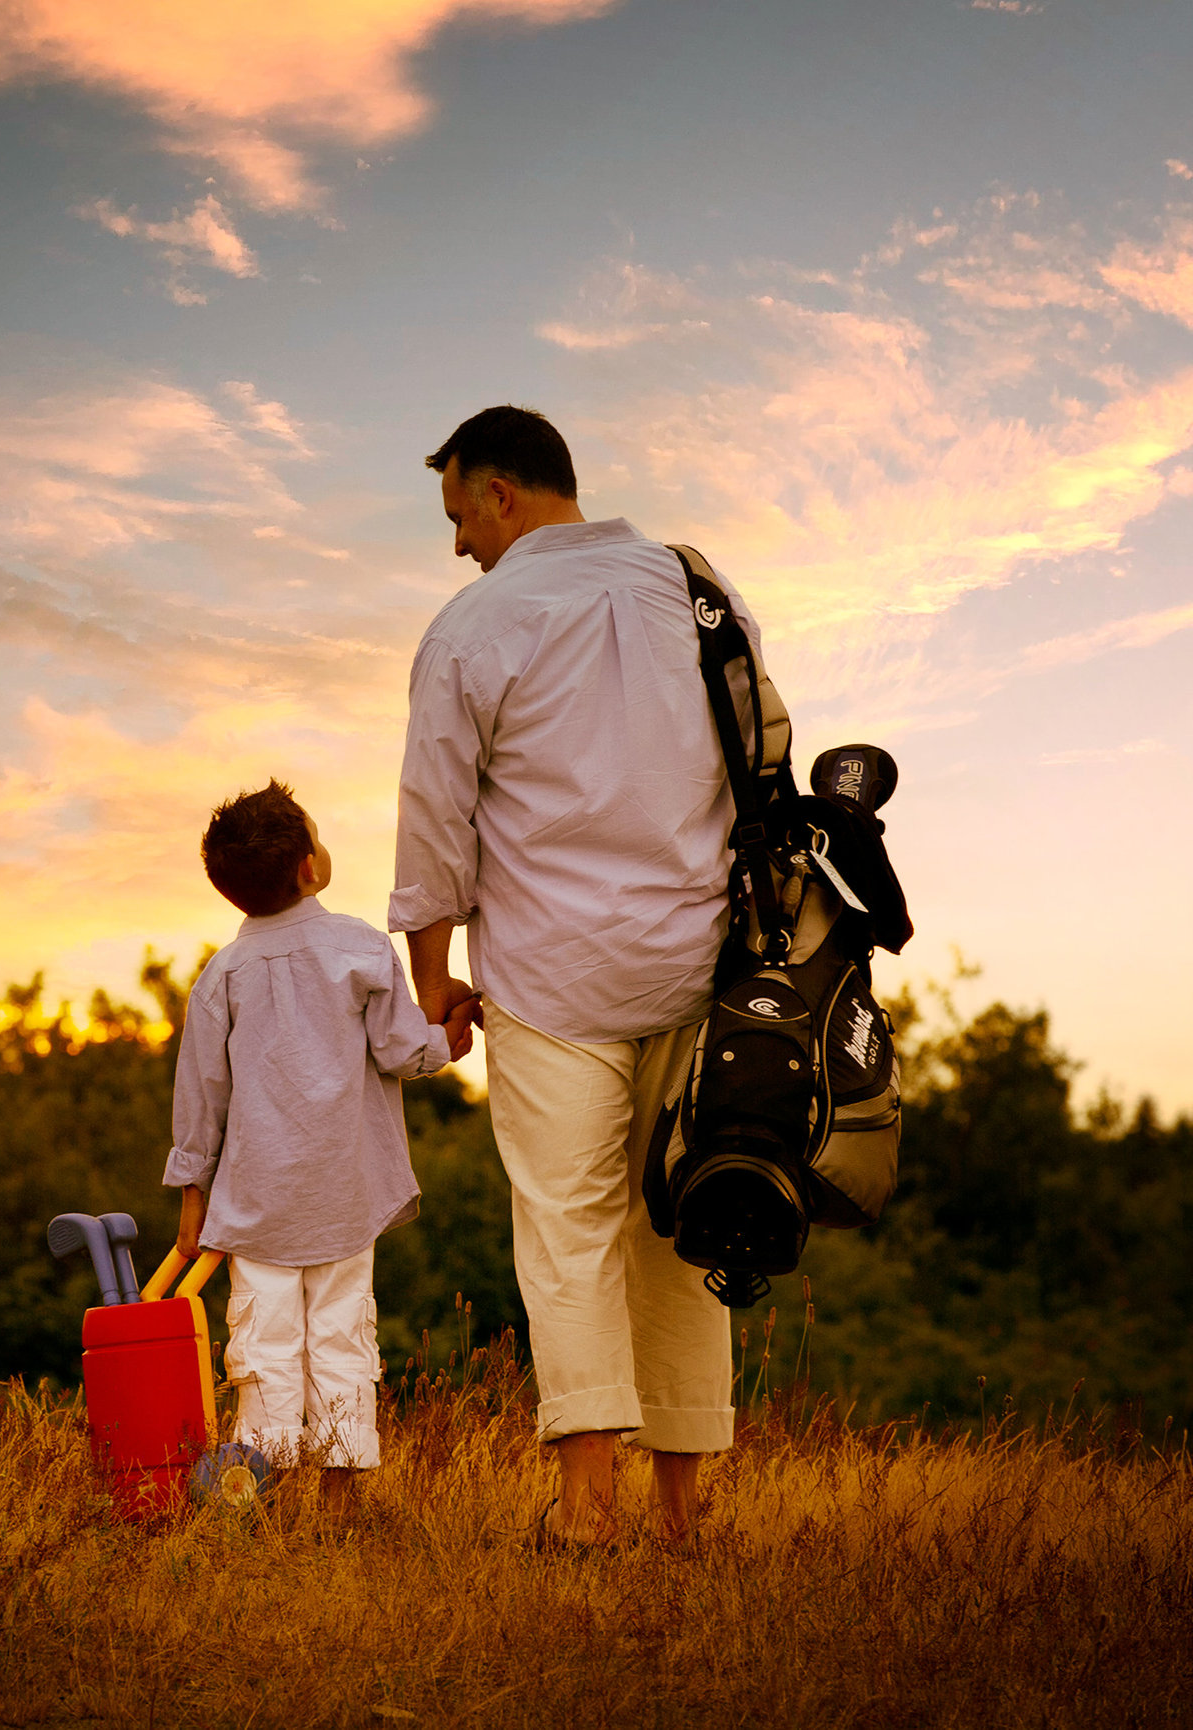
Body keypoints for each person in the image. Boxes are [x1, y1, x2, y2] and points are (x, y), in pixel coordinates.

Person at [390, 404, 765, 1545]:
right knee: (682, 1225)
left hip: (553, 975)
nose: (457, 541)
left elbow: (434, 816)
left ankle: (585, 1509)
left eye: (458, 514)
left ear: (500, 492)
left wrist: (432, 974)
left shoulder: (473, 624)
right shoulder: (702, 591)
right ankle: (682, 1513)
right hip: (698, 967)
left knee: (568, 1230)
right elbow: (755, 766)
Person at [165, 780, 478, 1516]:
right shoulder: (360, 949)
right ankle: (337, 1506)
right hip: (343, 1192)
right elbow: (402, 1050)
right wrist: (446, 1044)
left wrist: (191, 1193)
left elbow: (200, 1095)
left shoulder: (221, 976)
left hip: (256, 1201)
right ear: (310, 867)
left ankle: (258, 1497)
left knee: (264, 1351)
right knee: (341, 1339)